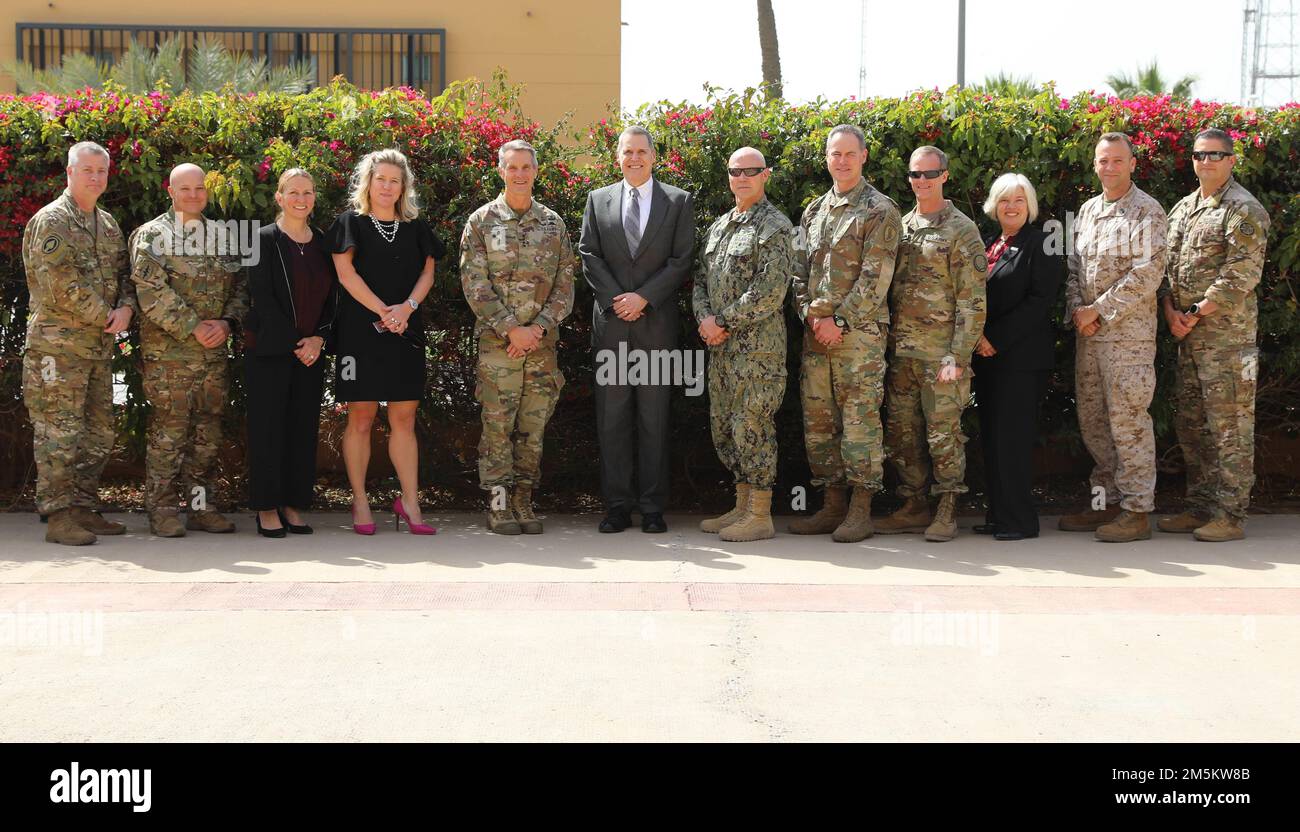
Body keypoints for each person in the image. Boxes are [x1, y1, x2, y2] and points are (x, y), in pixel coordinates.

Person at [788, 124, 902, 543]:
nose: (841, 160)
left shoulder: (880, 210)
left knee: (859, 422)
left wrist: (839, 322)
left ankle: (860, 508)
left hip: (859, 339)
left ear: (864, 156)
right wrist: (809, 316)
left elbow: (876, 278)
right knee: (819, 422)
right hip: (816, 336)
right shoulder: (813, 211)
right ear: (827, 158)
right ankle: (831, 504)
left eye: (849, 154)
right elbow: (798, 271)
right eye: (835, 154)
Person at [578, 126, 695, 534]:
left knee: (654, 418)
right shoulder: (598, 200)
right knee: (612, 419)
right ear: (617, 157)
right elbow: (589, 254)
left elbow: (681, 260)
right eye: (627, 151)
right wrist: (618, 299)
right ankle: (616, 506)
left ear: (654, 156)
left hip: (656, 326)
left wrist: (643, 297)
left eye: (642, 151)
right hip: (612, 327)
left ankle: (652, 507)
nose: (635, 158)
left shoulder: (678, 202)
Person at [21, 141, 136, 545]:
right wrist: (109, 315)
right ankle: (58, 516)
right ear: (69, 173)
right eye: (87, 170)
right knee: (58, 433)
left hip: (97, 351)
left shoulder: (105, 223)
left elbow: (125, 274)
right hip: (57, 350)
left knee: (99, 432)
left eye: (101, 171)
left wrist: (125, 309)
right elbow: (58, 286)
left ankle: (84, 507)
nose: (95, 177)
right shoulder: (52, 221)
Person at [1159, 128, 1270, 542]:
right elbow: (1168, 267)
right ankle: (1200, 506)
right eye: (1199, 154)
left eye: (1215, 155)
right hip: (1188, 335)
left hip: (1226, 339)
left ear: (1231, 160)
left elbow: (1240, 275)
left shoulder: (1244, 209)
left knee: (1230, 428)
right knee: (1192, 425)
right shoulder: (1184, 207)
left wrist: (1192, 313)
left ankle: (1230, 514)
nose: (1205, 161)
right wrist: (1171, 310)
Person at [460, 140, 576, 535]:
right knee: (496, 428)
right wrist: (512, 329)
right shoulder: (481, 222)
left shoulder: (553, 224)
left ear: (536, 171)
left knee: (533, 428)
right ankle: (498, 505)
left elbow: (565, 285)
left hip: (541, 348)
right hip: (498, 346)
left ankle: (524, 503)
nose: (520, 174)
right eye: (513, 167)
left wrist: (537, 329)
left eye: (527, 167)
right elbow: (474, 284)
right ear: (500, 170)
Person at [330, 149, 443, 536]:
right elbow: (345, 275)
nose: (387, 186)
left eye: (395, 181)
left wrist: (406, 310)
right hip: (360, 333)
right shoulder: (350, 223)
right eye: (381, 179)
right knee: (360, 416)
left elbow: (428, 275)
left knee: (404, 418)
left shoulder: (417, 227)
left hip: (405, 330)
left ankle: (409, 502)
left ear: (403, 187)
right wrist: (384, 311)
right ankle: (359, 500)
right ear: (368, 182)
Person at [1061, 133, 1168, 542]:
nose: (1109, 167)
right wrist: (1078, 311)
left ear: (1133, 164)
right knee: (1094, 425)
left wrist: (1098, 310)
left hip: (1128, 341)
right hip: (1089, 338)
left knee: (1128, 424)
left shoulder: (1147, 211)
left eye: (1117, 160)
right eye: (1103, 160)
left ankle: (1136, 511)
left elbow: (1147, 274)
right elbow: (1073, 267)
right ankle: (1103, 504)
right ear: (1095, 164)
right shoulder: (1088, 211)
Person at [877, 146, 987, 542]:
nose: (921, 181)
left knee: (943, 436)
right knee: (902, 435)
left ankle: (947, 507)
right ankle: (913, 504)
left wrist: (958, 356)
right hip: (902, 353)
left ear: (944, 176)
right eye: (914, 175)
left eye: (929, 174)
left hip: (941, 355)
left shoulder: (960, 229)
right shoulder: (900, 225)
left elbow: (973, 300)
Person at [130, 163, 247, 537]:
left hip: (212, 356)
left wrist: (228, 323)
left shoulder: (224, 236)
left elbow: (242, 286)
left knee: (206, 437)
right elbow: (151, 294)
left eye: (199, 188)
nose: (194, 195)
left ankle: (200, 508)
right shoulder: (152, 236)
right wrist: (194, 326)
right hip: (169, 357)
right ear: (170, 191)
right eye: (185, 189)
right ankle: (162, 512)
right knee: (169, 434)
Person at [693, 146, 795, 542]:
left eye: (751, 170)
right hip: (721, 351)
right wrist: (705, 319)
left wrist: (722, 321)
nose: (743, 177)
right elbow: (701, 279)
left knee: (752, 426)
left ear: (765, 175)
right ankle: (740, 504)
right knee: (724, 429)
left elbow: (770, 290)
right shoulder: (720, 227)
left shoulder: (774, 226)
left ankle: (760, 514)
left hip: (758, 353)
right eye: (736, 171)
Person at [243, 168, 338, 538]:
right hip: (269, 351)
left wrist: (319, 339)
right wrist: (295, 342)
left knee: (302, 430)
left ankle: (293, 504)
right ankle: (266, 507)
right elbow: (261, 297)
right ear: (280, 198)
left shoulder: (325, 243)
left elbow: (335, 298)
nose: (302, 199)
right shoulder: (259, 239)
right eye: (293, 192)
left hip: (312, 353)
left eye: (308, 192)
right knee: (267, 430)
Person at [970, 173, 1065, 541]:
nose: (1011, 207)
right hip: (988, 358)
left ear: (1030, 206)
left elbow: (1040, 302)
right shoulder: (992, 242)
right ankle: (999, 515)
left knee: (1013, 440)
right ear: (995, 204)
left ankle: (1020, 521)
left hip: (1020, 360)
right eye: (1005, 200)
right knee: (993, 438)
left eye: (1019, 200)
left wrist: (996, 338)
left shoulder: (1042, 243)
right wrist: (979, 338)